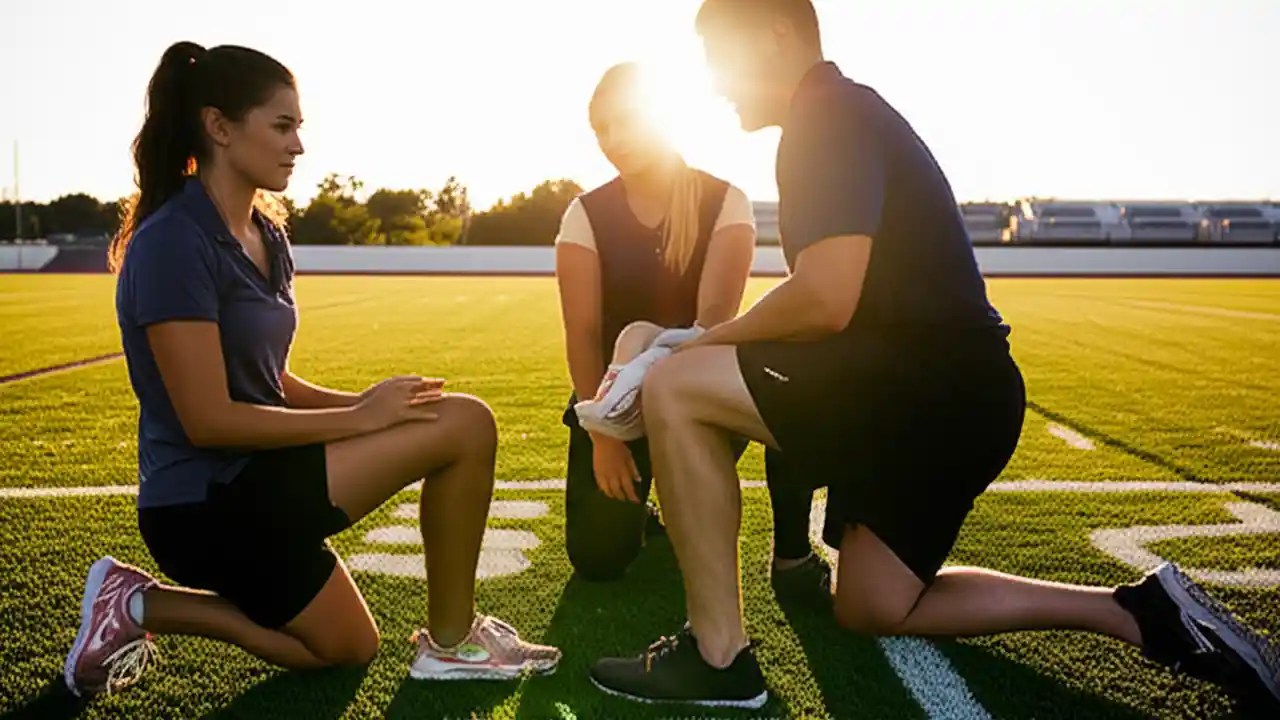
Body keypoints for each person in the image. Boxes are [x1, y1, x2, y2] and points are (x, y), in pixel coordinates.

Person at [588, 0, 1280, 710]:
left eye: (716, 55)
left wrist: (697, 344)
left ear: (777, 35)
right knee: (873, 604)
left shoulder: (825, 114)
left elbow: (825, 299)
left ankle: (717, 657)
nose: (712, 82)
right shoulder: (836, 113)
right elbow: (832, 297)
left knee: (676, 386)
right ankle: (1135, 611)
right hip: (958, 396)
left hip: (925, 388)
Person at [63, 41, 559, 698]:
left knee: (349, 647)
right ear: (218, 127)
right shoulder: (173, 240)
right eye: (282, 125)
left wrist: (372, 404)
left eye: (300, 126)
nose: (299, 144)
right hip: (202, 506)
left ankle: (141, 606)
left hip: (254, 486)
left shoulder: (266, 233)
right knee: (466, 425)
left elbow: (274, 385)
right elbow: (209, 420)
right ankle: (451, 644)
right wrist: (358, 419)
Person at [554, 62, 829, 600]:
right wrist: (602, 435)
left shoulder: (725, 200)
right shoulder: (584, 213)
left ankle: (792, 552)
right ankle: (647, 513)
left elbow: (713, 323)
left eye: (626, 122)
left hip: (695, 385)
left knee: (792, 380)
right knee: (599, 559)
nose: (613, 140)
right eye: (602, 129)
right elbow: (583, 333)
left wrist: (644, 345)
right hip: (614, 400)